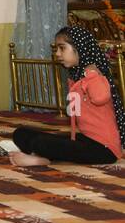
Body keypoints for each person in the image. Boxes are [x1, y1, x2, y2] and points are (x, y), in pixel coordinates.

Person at [8, 26, 125, 167]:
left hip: (104, 150)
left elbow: (100, 98)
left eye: (62, 48)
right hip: (85, 139)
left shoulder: (96, 77)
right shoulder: (76, 78)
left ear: (80, 49)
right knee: (21, 134)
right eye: (57, 49)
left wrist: (92, 74)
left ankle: (42, 159)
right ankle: (40, 153)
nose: (57, 53)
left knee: (41, 143)